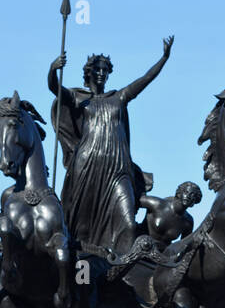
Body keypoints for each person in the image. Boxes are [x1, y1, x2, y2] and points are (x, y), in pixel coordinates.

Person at [49, 39, 173, 257]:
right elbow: (54, 88)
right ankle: (82, 267)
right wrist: (53, 70)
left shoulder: (119, 97)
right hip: (87, 168)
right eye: (96, 69)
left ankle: (123, 273)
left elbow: (145, 79)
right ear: (88, 73)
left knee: (128, 222)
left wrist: (163, 58)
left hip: (117, 168)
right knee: (81, 225)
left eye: (105, 70)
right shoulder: (79, 98)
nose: (101, 73)